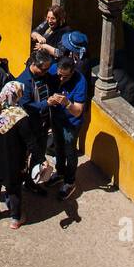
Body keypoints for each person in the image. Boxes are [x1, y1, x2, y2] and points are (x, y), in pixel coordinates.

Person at [0, 80, 49, 230]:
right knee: (14, 190)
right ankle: (16, 218)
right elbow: (30, 142)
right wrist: (42, 159)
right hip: (13, 160)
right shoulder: (20, 117)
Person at [47, 52, 88, 200]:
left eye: (65, 77)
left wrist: (67, 103)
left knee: (70, 152)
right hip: (57, 119)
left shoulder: (80, 82)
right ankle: (60, 172)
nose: (61, 79)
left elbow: (78, 112)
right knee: (57, 146)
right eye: (59, 75)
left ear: (72, 72)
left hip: (71, 123)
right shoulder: (53, 70)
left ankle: (69, 181)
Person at [16, 47, 56, 137]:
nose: (45, 72)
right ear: (34, 64)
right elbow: (26, 106)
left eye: (47, 69)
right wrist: (47, 103)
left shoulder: (44, 75)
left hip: (44, 121)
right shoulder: (23, 82)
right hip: (31, 124)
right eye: (43, 70)